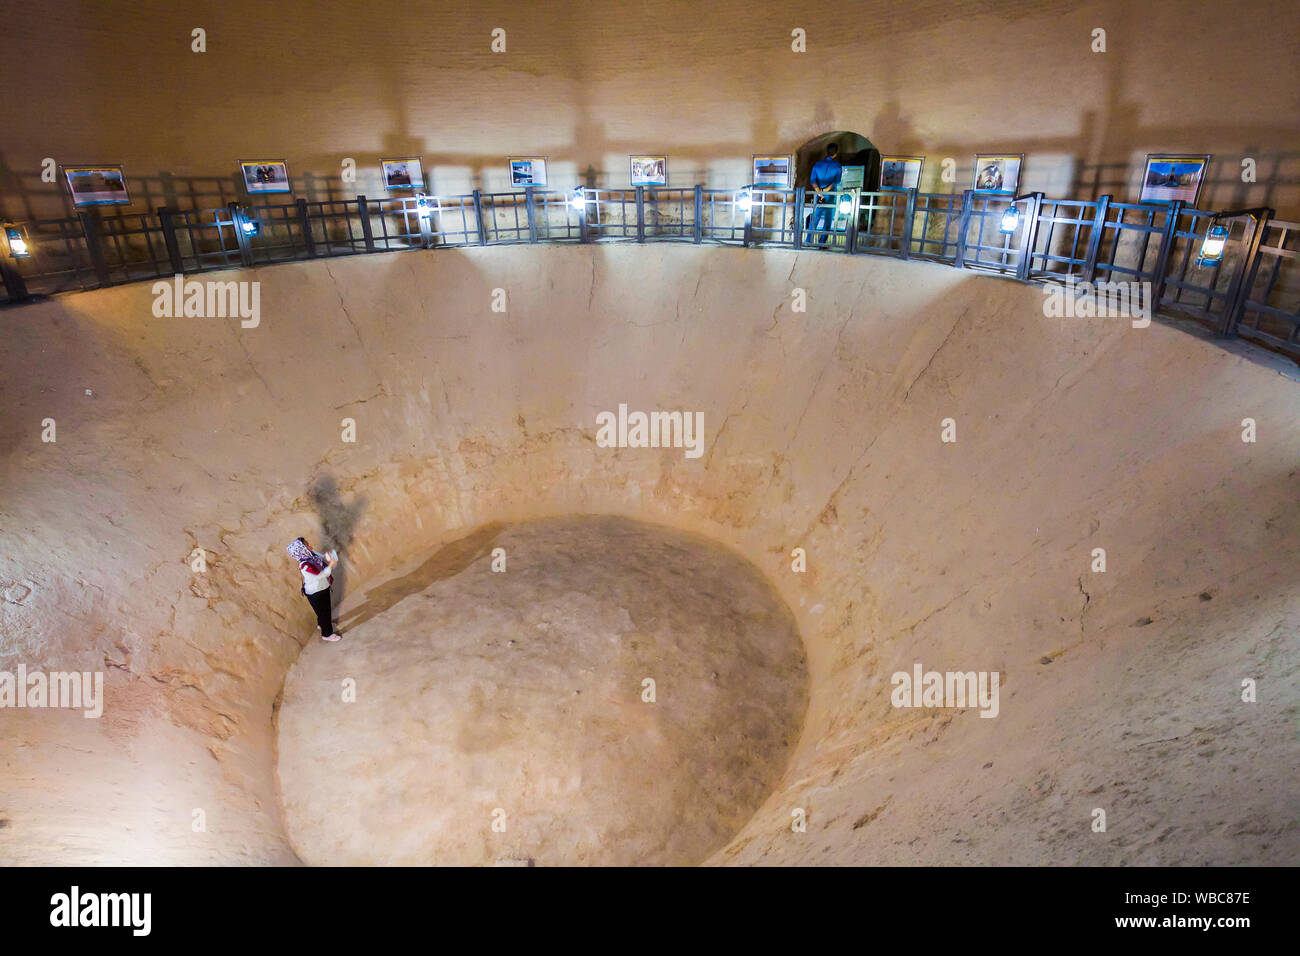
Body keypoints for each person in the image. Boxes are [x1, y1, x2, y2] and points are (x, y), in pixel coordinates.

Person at [287, 537, 341, 641]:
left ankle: (322, 624)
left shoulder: (311, 554)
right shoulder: (305, 566)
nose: (309, 545)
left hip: (322, 587)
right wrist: (331, 565)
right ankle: (327, 634)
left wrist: (329, 556)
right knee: (324, 612)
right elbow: (320, 575)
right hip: (316, 592)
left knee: (321, 611)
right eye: (306, 545)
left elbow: (323, 558)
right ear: (302, 550)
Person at [806, 143, 843, 247]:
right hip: (831, 196)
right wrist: (827, 189)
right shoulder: (837, 166)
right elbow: (837, 181)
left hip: (819, 196)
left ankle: (808, 241)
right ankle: (822, 243)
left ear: (826, 152)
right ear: (835, 153)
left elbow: (813, 180)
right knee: (827, 220)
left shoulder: (817, 165)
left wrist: (819, 192)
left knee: (815, 219)